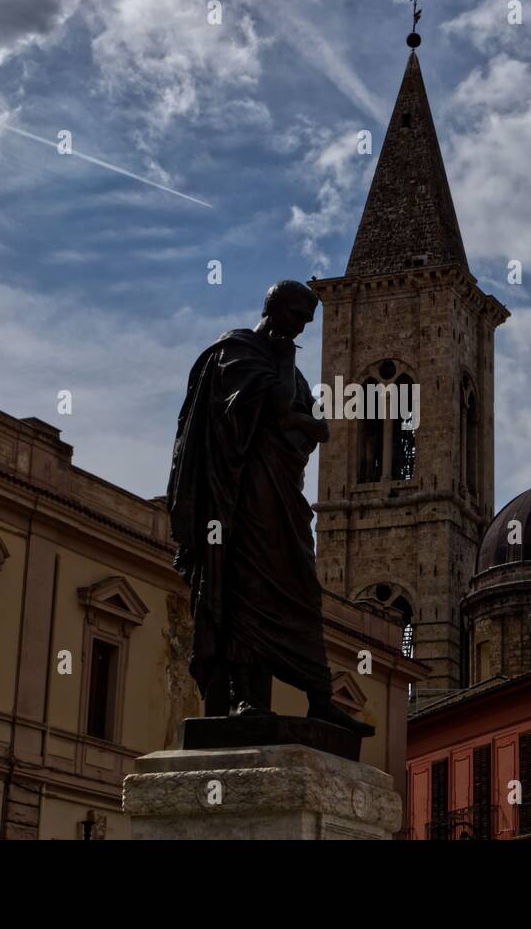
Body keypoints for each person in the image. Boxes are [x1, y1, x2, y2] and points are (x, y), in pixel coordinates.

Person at [167, 279, 374, 737]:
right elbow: (270, 409)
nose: (301, 328)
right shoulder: (237, 351)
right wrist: (288, 403)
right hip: (242, 500)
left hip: (283, 499)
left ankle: (320, 699)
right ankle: (247, 699)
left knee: (303, 592)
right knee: (249, 592)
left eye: (307, 322)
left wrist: (291, 417)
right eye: (297, 317)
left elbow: (315, 429)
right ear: (274, 308)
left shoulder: (289, 370)